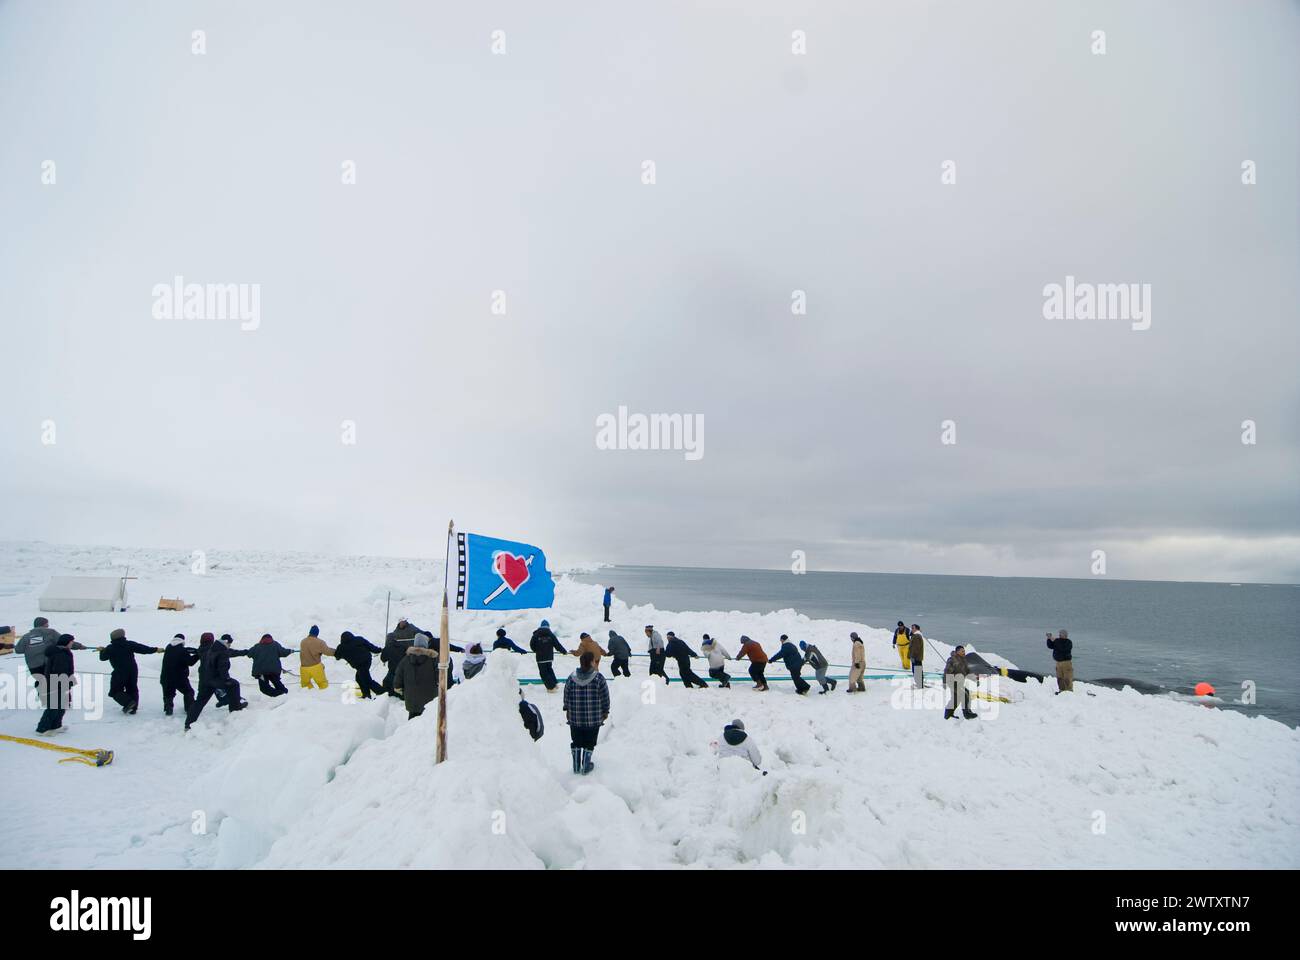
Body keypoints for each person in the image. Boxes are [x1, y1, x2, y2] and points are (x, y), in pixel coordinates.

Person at [15, 617, 83, 707]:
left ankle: (45, 700)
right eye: (47, 624)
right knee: (56, 680)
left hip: (34, 665)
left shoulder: (26, 637)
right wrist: (79, 646)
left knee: (41, 680)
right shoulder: (50, 632)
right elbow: (65, 642)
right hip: (49, 663)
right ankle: (63, 701)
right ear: (44, 624)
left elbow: (18, 649)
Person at [185, 634, 249, 730]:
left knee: (200, 701)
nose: (230, 646)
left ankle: (188, 724)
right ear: (226, 643)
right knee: (234, 685)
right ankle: (235, 710)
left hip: (204, 678)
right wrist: (226, 680)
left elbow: (229, 653)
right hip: (214, 679)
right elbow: (222, 667)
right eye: (229, 644)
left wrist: (245, 652)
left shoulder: (211, 648)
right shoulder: (222, 651)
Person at [563, 650, 610, 775]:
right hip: (593, 719)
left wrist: (566, 708)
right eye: (594, 661)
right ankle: (586, 766)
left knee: (577, 740)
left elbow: (566, 694)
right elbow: (605, 696)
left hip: (575, 718)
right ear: (591, 662)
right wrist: (605, 711)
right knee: (590, 742)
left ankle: (577, 765)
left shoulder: (572, 677)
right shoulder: (598, 678)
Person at [98, 628, 160, 714]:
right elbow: (143, 649)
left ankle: (128, 703)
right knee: (132, 688)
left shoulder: (110, 648)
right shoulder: (129, 644)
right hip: (132, 670)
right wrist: (156, 649)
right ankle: (133, 708)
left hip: (119, 672)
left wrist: (102, 651)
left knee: (115, 691)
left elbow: (103, 658)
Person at [392, 633, 439, 718]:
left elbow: (398, 675)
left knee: (412, 725)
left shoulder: (405, 660)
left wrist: (398, 687)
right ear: (426, 644)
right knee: (427, 722)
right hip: (429, 699)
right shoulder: (433, 659)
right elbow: (439, 677)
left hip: (411, 700)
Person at [335, 630, 385, 699]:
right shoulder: (359, 639)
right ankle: (366, 694)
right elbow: (370, 646)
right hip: (367, 661)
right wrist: (379, 650)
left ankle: (382, 692)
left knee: (367, 680)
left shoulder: (341, 647)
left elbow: (337, 656)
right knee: (359, 678)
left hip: (359, 665)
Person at [160, 633, 201, 716]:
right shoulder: (183, 650)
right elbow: (190, 662)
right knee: (188, 691)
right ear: (182, 641)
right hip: (179, 677)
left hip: (165, 676)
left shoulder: (168, 647)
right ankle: (189, 708)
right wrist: (197, 655)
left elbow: (182, 651)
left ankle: (168, 709)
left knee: (169, 693)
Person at [381, 619, 422, 695]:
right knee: (390, 680)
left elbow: (383, 658)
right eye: (402, 622)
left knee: (391, 680)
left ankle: (392, 693)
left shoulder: (411, 628)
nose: (403, 623)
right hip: (402, 666)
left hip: (398, 667)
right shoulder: (397, 635)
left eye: (404, 621)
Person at [530, 619, 567, 692]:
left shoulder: (536, 635)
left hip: (540, 657)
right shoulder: (551, 635)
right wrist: (563, 651)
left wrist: (536, 650)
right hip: (549, 657)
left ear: (540, 626)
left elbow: (532, 645)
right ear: (548, 626)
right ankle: (555, 684)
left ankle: (551, 687)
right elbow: (557, 645)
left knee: (543, 673)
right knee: (549, 670)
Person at [943, 644, 977, 720]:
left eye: (964, 651)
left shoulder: (964, 660)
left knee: (956, 699)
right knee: (965, 694)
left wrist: (975, 679)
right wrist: (944, 682)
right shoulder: (952, 660)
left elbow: (968, 672)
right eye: (962, 651)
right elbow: (946, 671)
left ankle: (948, 714)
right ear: (957, 652)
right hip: (952, 682)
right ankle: (967, 713)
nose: (964, 652)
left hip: (959, 682)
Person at [299, 625, 334, 690]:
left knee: (305, 687)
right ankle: (323, 697)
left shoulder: (303, 641)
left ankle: (307, 698)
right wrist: (338, 652)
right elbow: (328, 652)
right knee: (323, 685)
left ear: (310, 632)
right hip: (315, 667)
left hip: (303, 668)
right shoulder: (320, 642)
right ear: (317, 633)